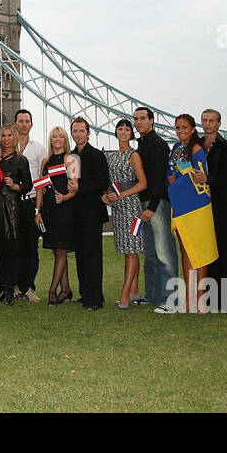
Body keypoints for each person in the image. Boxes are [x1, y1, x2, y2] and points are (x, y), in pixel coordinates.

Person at [165, 114, 220, 313]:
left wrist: (179, 180)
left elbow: (200, 177)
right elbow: (170, 173)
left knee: (200, 251)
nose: (181, 131)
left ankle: (201, 298)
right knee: (185, 249)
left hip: (196, 205)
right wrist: (171, 180)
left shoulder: (197, 149)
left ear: (192, 128)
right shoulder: (175, 150)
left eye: (184, 127)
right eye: (178, 127)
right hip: (179, 204)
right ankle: (189, 298)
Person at [133, 107, 176, 309]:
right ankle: (152, 295)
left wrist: (152, 206)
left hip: (155, 203)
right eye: (136, 119)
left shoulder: (159, 145)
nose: (139, 122)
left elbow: (159, 179)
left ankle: (170, 299)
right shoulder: (140, 146)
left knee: (163, 252)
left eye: (143, 118)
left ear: (152, 121)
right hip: (143, 203)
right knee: (150, 253)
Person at [0, 124, 32, 305]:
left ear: (14, 138)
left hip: (12, 208)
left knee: (12, 250)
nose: (6, 139)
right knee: (0, 251)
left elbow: (28, 185)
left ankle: (11, 289)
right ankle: (2, 289)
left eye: (9, 135)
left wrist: (15, 185)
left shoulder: (21, 160)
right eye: (3, 135)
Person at [103, 119, 147, 309]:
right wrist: (105, 196)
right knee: (126, 249)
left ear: (131, 133)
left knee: (131, 249)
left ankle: (124, 294)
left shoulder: (134, 155)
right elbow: (108, 183)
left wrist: (122, 195)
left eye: (127, 129)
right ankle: (134, 291)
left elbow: (143, 183)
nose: (123, 132)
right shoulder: (111, 157)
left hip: (132, 208)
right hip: (118, 208)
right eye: (120, 129)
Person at [200, 109, 227, 313]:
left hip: (219, 202)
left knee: (224, 249)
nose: (207, 124)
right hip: (200, 204)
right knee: (207, 251)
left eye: (211, 120)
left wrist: (207, 179)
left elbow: (226, 178)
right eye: (204, 120)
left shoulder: (226, 147)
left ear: (218, 123)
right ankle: (209, 298)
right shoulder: (196, 145)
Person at [35, 127, 79, 305]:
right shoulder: (45, 161)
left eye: (61, 136)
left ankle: (52, 291)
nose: (57, 139)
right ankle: (66, 289)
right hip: (49, 210)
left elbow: (75, 186)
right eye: (54, 136)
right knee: (56, 250)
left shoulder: (71, 160)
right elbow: (40, 187)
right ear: (50, 140)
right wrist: (37, 211)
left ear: (65, 139)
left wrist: (65, 197)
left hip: (65, 209)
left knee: (62, 250)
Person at [70, 117, 109, 310]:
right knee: (80, 255)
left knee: (93, 255)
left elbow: (103, 183)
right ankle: (84, 293)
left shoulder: (96, 155)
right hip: (75, 212)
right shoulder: (71, 157)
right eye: (75, 131)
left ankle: (95, 298)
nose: (78, 134)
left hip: (92, 212)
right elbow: (71, 185)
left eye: (81, 131)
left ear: (88, 132)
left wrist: (80, 188)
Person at [12, 109, 46, 301]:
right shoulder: (8, 146)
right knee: (13, 246)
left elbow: (41, 182)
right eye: (21, 121)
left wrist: (38, 209)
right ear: (15, 123)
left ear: (31, 124)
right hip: (12, 203)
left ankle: (29, 287)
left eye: (27, 121)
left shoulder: (39, 149)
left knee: (31, 248)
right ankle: (15, 286)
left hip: (31, 201)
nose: (24, 124)